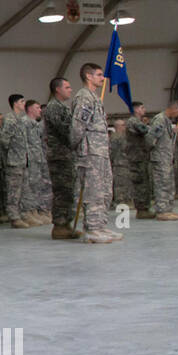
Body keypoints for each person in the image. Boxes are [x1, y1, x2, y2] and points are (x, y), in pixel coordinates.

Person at [69, 63, 118, 244]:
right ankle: (92, 229)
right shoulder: (84, 97)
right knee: (93, 191)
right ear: (88, 76)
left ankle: (100, 225)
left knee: (104, 190)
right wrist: (78, 148)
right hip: (90, 152)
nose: (102, 78)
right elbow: (77, 127)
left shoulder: (94, 97)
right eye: (98, 75)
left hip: (100, 152)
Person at [44, 78, 80, 239]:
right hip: (59, 156)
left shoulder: (62, 107)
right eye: (67, 87)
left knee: (68, 191)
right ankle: (59, 225)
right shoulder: (53, 107)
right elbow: (66, 130)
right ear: (58, 89)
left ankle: (66, 224)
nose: (70, 90)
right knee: (62, 191)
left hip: (66, 155)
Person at [145, 103, 178, 222]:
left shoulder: (166, 121)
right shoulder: (160, 120)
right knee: (162, 184)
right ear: (173, 108)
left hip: (166, 158)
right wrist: (155, 151)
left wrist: (172, 131)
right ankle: (162, 211)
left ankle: (168, 209)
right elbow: (150, 138)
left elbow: (163, 136)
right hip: (160, 158)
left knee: (168, 183)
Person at [0, 93, 32, 227]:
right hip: (13, 161)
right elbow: (4, 140)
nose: (24, 104)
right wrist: (11, 153)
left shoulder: (21, 119)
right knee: (13, 190)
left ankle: (21, 214)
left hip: (22, 160)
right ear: (15, 103)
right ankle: (14, 217)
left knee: (22, 189)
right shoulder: (10, 119)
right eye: (22, 101)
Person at [125, 101, 154, 218]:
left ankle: (145, 208)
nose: (144, 110)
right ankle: (142, 209)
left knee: (144, 182)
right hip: (137, 157)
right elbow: (144, 130)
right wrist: (152, 127)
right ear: (136, 110)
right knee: (140, 183)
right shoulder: (133, 121)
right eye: (142, 108)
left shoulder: (137, 121)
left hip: (141, 156)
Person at [109, 120, 132, 209]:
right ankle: (120, 202)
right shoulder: (115, 137)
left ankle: (126, 200)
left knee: (126, 184)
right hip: (119, 164)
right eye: (123, 125)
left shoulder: (124, 137)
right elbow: (112, 151)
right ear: (117, 126)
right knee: (119, 185)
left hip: (125, 164)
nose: (124, 127)